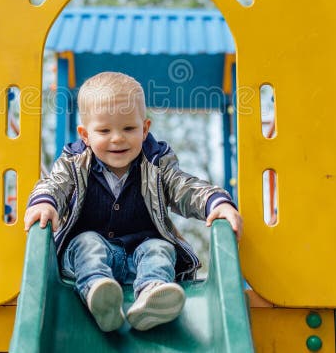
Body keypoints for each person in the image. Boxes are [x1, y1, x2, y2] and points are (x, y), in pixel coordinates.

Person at [24, 71, 243, 332]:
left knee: (159, 248)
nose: (117, 138)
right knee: (86, 242)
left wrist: (216, 203)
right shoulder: (74, 163)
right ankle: (98, 293)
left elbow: (184, 187)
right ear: (85, 135)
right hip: (89, 258)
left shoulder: (156, 164)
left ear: (145, 129)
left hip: (139, 260)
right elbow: (54, 184)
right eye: (104, 130)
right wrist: (44, 203)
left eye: (129, 128)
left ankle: (152, 294)